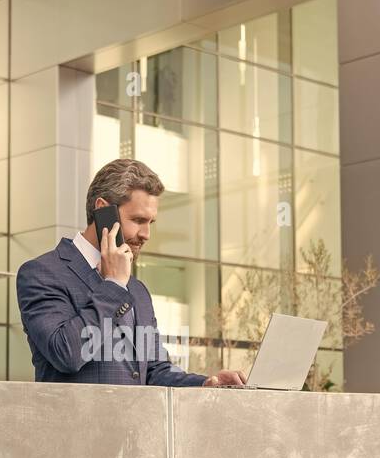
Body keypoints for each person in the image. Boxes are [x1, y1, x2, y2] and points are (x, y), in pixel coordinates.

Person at [16, 159, 246, 387]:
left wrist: (207, 384)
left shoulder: (137, 290)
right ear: (102, 210)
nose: (146, 234)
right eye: (138, 220)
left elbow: (154, 371)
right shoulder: (42, 274)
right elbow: (66, 354)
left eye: (150, 222)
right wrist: (113, 284)